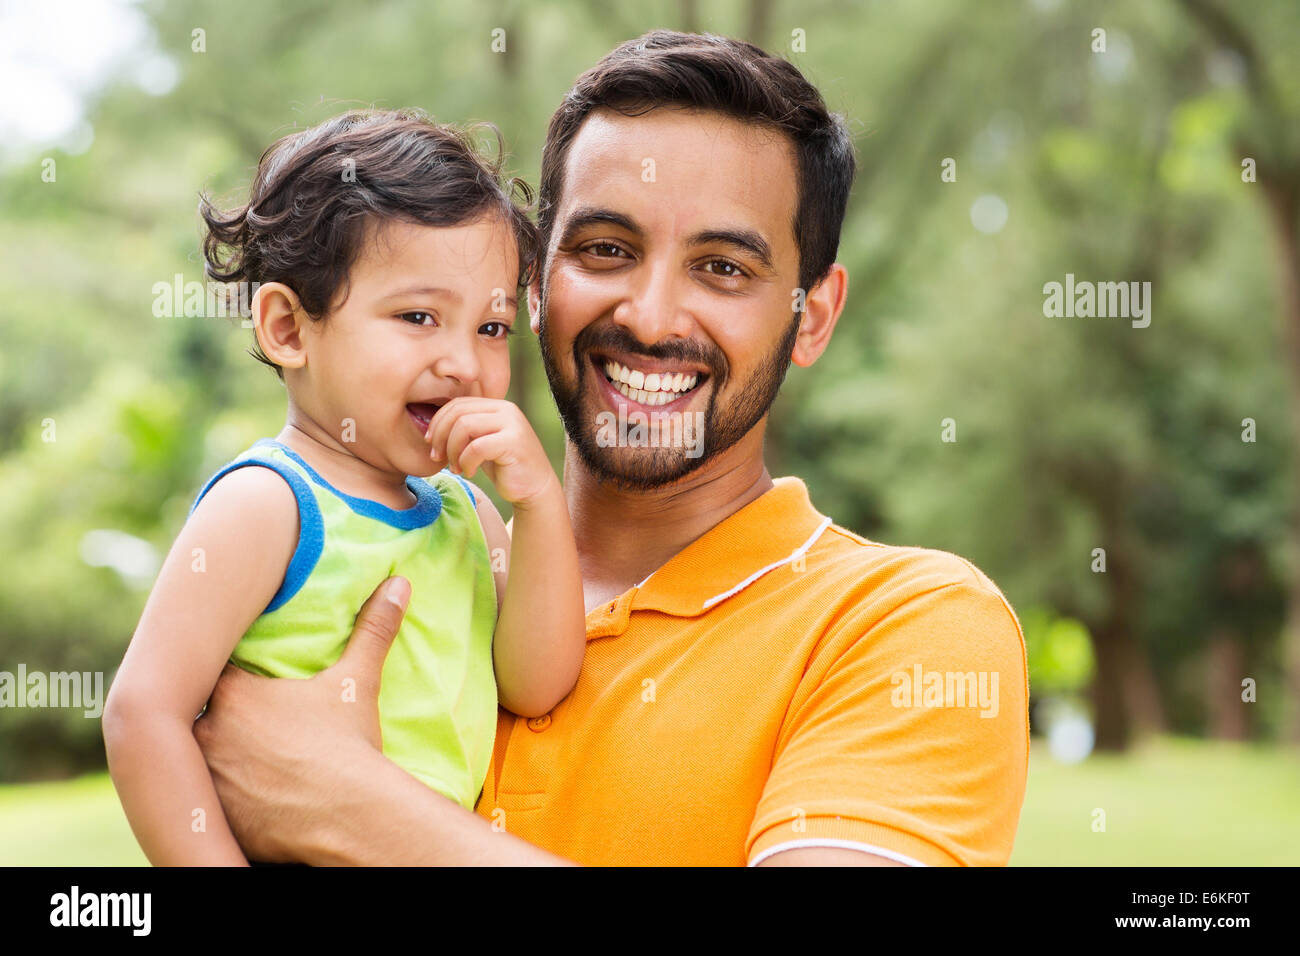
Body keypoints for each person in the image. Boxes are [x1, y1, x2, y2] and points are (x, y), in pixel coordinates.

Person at [193, 31, 1030, 866]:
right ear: (533, 282)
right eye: (605, 250)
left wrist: (345, 804)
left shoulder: (908, 627)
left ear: (810, 317)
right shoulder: (414, 558)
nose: (651, 316)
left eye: (724, 268)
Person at [102, 109, 586, 865]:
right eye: (419, 316)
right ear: (289, 329)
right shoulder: (269, 504)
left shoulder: (466, 510)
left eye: (491, 328)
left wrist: (541, 506)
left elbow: (537, 684)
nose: (464, 362)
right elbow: (143, 714)